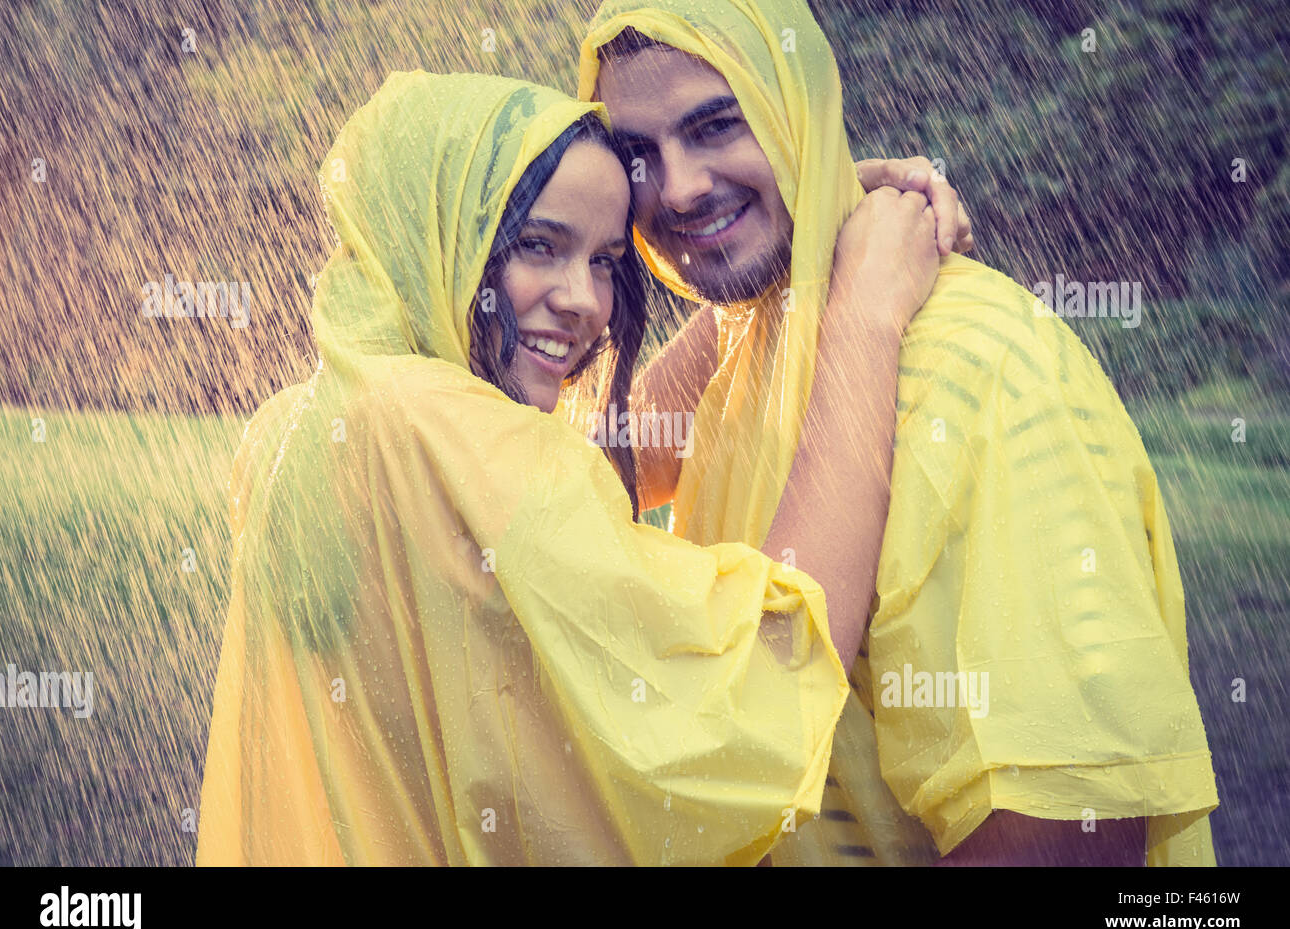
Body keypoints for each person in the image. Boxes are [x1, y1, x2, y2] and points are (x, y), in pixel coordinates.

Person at [194, 69, 946, 865]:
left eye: (603, 260)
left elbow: (602, 467)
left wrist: (794, 240)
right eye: (539, 245)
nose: (585, 299)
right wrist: (866, 311)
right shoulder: (456, 440)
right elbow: (774, 665)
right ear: (441, 230)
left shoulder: (308, 427)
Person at [577, 0, 1219, 866]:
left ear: (797, 111)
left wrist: (826, 211)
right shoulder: (755, 340)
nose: (680, 187)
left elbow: (1064, 837)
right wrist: (822, 202)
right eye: (637, 155)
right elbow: (585, 475)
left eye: (720, 125)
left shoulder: (976, 368)